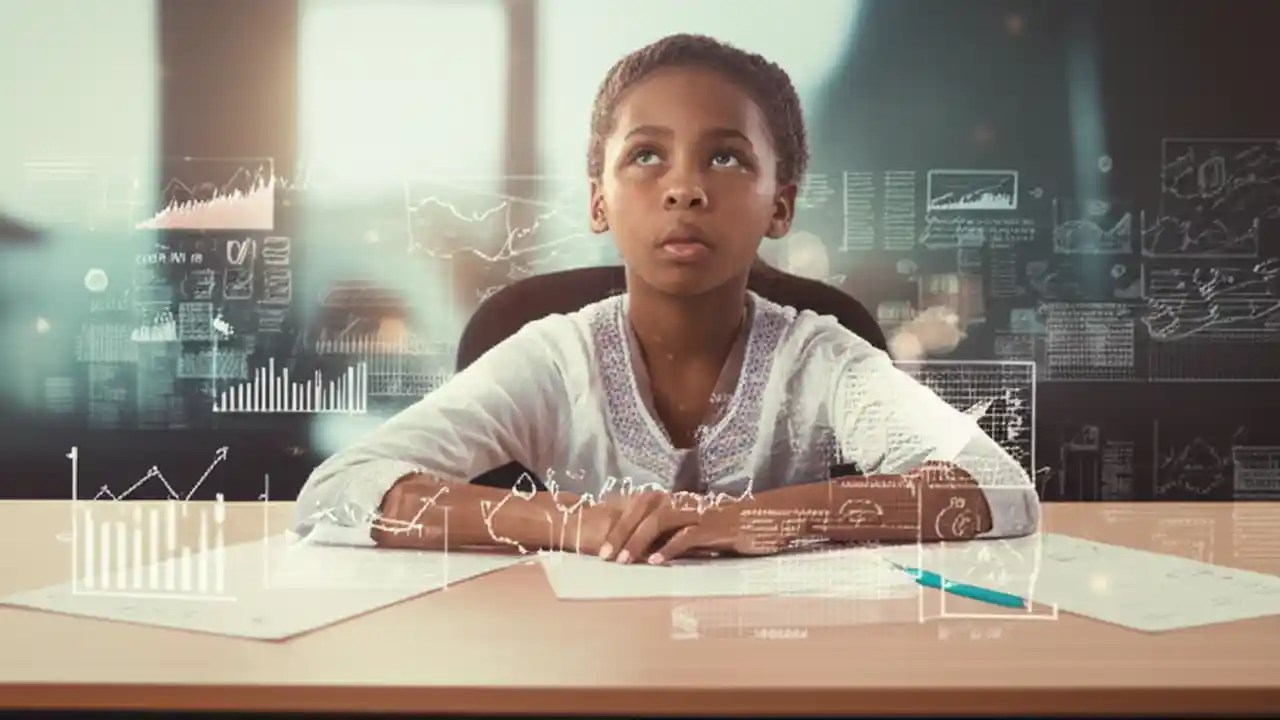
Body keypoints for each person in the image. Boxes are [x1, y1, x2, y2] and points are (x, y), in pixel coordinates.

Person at [294, 33, 1040, 564]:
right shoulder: (555, 361)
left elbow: (1000, 489)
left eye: (725, 157)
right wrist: (573, 522)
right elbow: (336, 492)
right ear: (599, 202)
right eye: (646, 156)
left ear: (779, 206)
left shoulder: (819, 358)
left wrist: (746, 520)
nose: (684, 187)